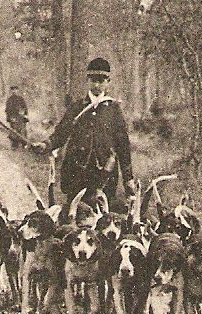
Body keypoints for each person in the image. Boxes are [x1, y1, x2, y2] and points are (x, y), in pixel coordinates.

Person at [32, 57, 135, 204]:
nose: (97, 84)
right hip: (77, 174)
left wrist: (128, 178)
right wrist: (46, 145)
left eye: (101, 80)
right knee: (73, 216)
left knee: (101, 217)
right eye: (93, 80)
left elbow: (123, 145)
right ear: (87, 80)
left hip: (104, 175)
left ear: (108, 82)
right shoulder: (77, 107)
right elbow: (61, 133)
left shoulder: (114, 110)